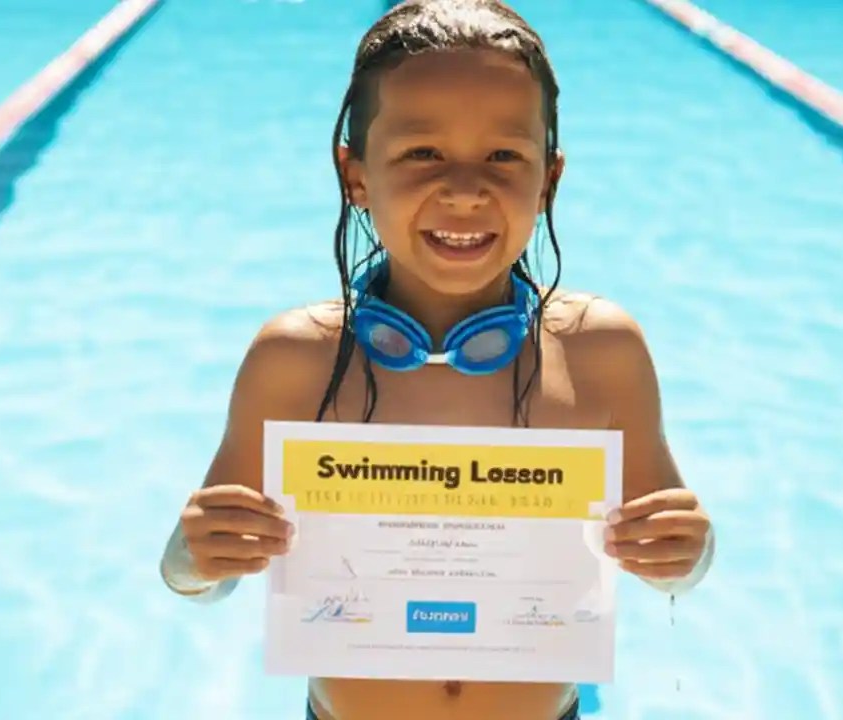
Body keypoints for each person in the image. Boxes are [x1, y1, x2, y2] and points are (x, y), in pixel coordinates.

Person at [160, 1, 715, 718]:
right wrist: (196, 554)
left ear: (549, 178)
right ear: (355, 174)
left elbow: (676, 571)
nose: (463, 190)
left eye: (503, 156)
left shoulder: (598, 352)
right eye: (422, 154)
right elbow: (198, 577)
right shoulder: (295, 359)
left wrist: (684, 551)